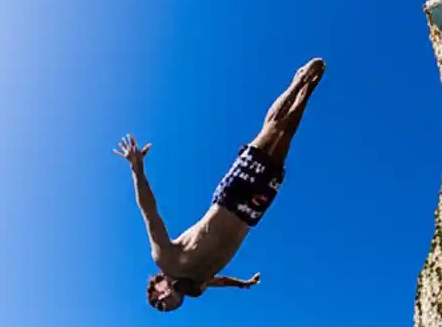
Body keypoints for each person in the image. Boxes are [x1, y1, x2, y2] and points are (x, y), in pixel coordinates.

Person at [115, 58, 326, 313]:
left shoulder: (165, 259)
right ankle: (305, 93)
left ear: (159, 284)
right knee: (285, 139)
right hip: (251, 212)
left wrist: (137, 169)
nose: (165, 306)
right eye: (163, 309)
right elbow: (219, 281)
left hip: (230, 198)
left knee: (270, 133)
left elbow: (149, 213)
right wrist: (243, 284)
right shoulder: (197, 288)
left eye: (158, 301)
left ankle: (296, 83)